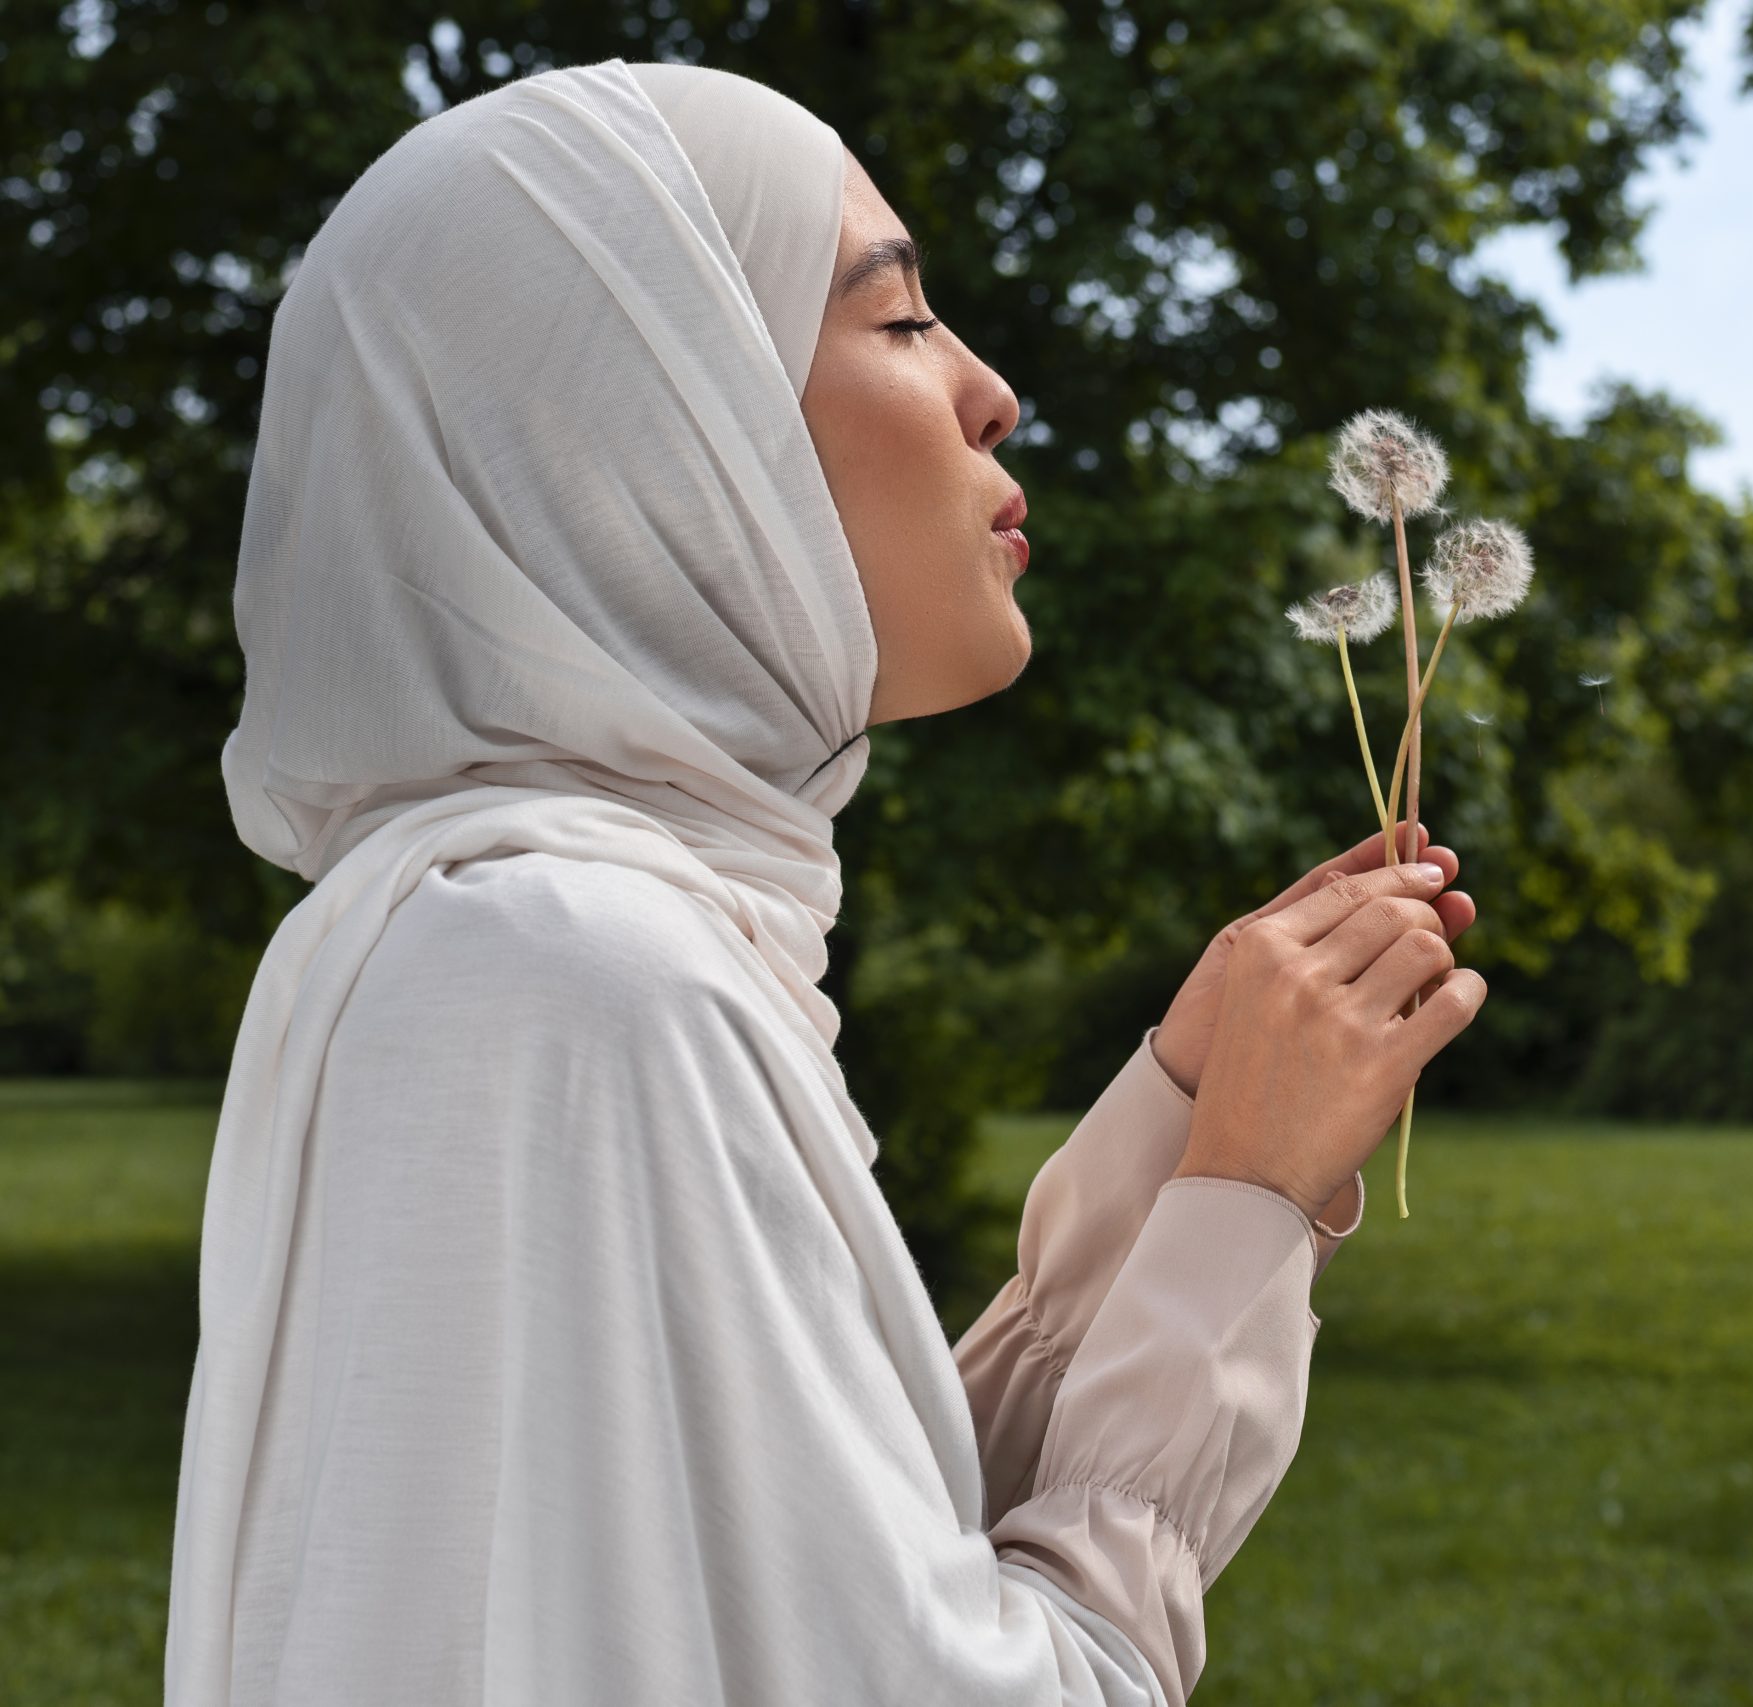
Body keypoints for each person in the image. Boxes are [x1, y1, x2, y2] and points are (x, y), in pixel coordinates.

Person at [166, 56, 1486, 1706]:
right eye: (901, 320)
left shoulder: (497, 935)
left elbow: (820, 1573)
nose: (991, 391)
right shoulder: (588, 974)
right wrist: (1248, 1209)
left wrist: (1179, 1127)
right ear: (661, 427)